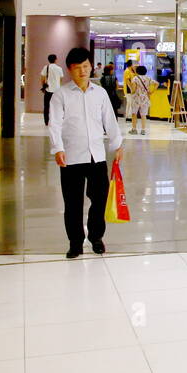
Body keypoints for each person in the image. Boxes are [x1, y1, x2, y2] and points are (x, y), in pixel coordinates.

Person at [47, 47, 124, 259]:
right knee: (72, 202)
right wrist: (58, 148)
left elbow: (110, 120)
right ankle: (75, 242)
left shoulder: (99, 93)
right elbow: (54, 124)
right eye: (78, 67)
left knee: (99, 199)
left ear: (91, 66)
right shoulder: (61, 95)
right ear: (70, 69)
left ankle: (96, 237)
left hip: (96, 156)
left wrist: (117, 145)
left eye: (86, 66)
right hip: (71, 156)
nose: (83, 71)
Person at [127, 65, 153, 136]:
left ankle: (134, 129)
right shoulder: (148, 78)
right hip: (145, 99)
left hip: (136, 99)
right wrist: (151, 92)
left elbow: (133, 90)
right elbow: (157, 83)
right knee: (143, 115)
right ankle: (143, 130)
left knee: (134, 114)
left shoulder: (135, 78)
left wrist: (129, 85)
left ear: (137, 71)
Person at [41, 53, 63, 125]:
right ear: (56, 59)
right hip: (57, 90)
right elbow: (61, 79)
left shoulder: (46, 67)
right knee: (57, 107)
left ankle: (46, 121)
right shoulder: (59, 68)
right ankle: (56, 121)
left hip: (48, 89)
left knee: (46, 106)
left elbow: (42, 78)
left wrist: (43, 86)